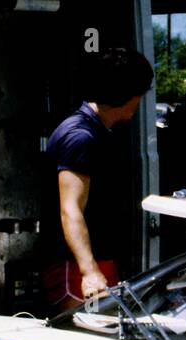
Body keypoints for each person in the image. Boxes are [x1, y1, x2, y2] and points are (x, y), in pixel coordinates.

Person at [44, 48, 153, 309]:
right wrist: (89, 270)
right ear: (129, 95)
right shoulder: (80, 136)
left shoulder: (97, 131)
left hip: (95, 261)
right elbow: (70, 209)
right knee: (83, 332)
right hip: (77, 267)